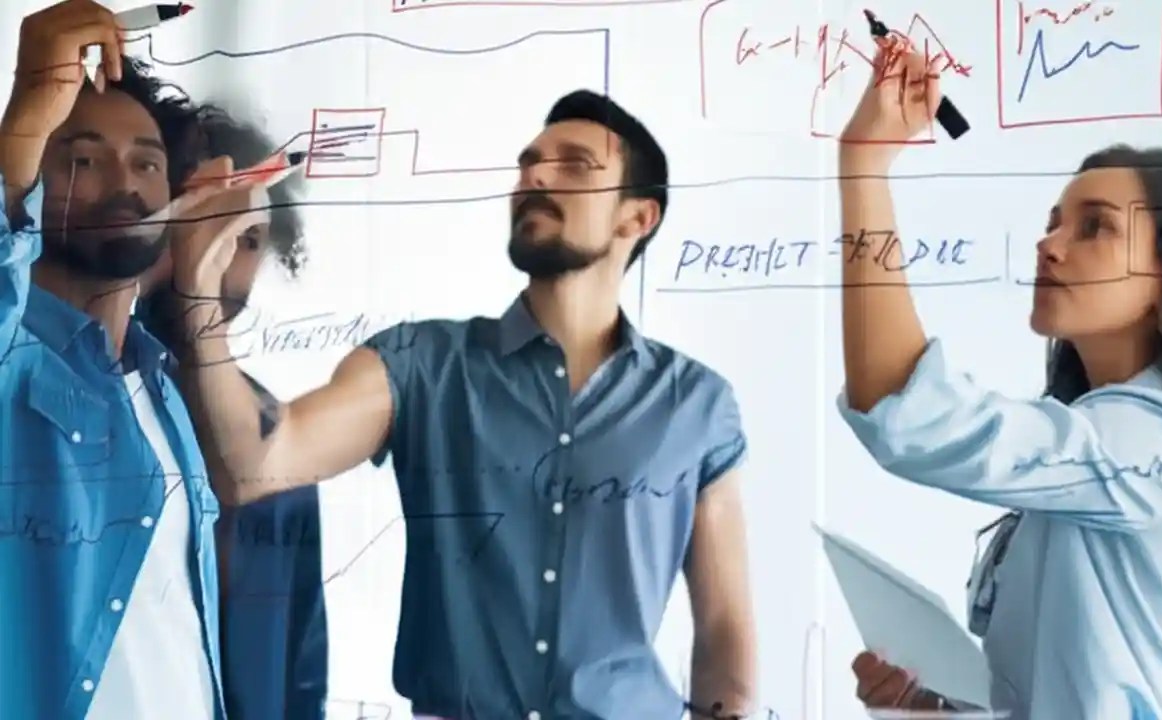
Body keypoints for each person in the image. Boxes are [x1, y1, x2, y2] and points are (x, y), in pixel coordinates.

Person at [164, 88, 758, 719]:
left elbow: (723, 634)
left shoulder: (696, 403)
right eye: (530, 162)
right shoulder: (421, 365)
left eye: (574, 164)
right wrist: (200, 283)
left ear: (637, 218)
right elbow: (255, 466)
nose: (536, 175)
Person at [837, 35, 1162, 719]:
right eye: (1054, 222)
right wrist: (932, 710)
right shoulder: (1090, 451)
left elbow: (902, 410)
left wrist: (864, 168)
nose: (1049, 244)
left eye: (1094, 228)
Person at [0, 1, 274, 718]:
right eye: (83, 158)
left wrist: (198, 276)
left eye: (147, 164)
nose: (124, 182)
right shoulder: (12, 359)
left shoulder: (158, 385)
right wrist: (23, 128)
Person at [134, 103, 328, 720]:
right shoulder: (71, 390)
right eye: (203, 220)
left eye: (247, 239)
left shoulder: (277, 432)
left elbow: (302, 656)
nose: (219, 253)